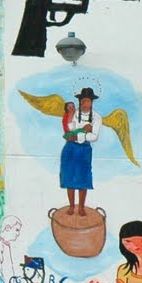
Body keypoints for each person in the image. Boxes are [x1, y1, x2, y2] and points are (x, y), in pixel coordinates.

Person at [61, 87, 100, 216]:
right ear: (80, 101)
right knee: (69, 177)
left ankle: (81, 207)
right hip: (70, 148)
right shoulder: (75, 113)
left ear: (92, 102)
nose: (85, 104)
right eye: (83, 101)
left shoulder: (97, 117)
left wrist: (80, 135)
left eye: (88, 101)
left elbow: (94, 136)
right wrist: (84, 130)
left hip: (84, 150)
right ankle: (72, 206)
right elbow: (70, 127)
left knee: (83, 178)